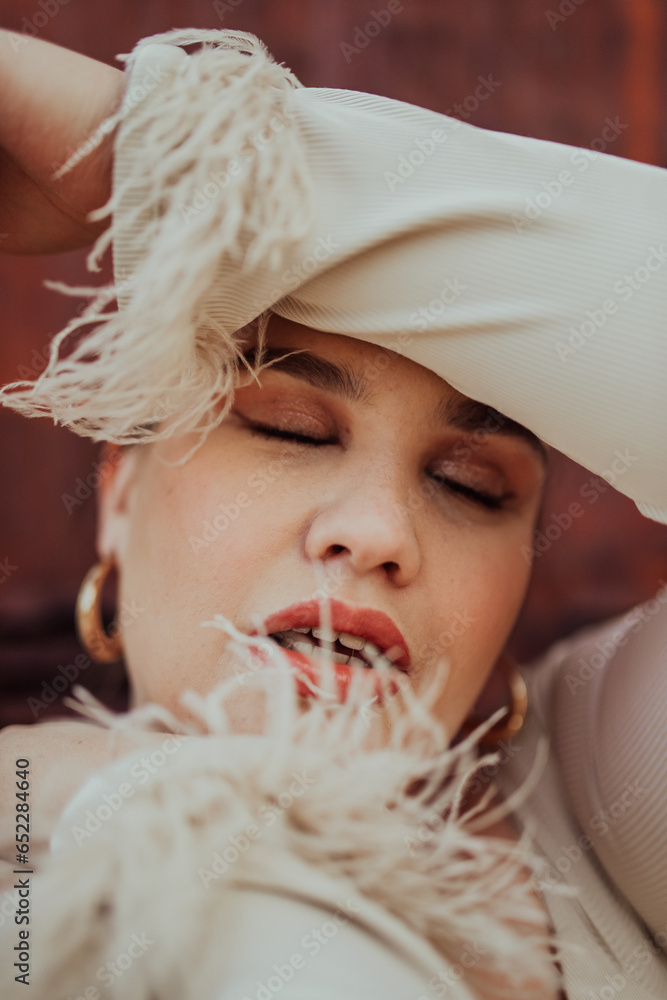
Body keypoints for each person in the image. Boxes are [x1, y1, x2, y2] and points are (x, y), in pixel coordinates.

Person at [0, 25, 665, 1000]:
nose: (379, 532)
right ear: (120, 497)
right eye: (288, 430)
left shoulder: (605, 796)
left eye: (473, 486)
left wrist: (162, 161)